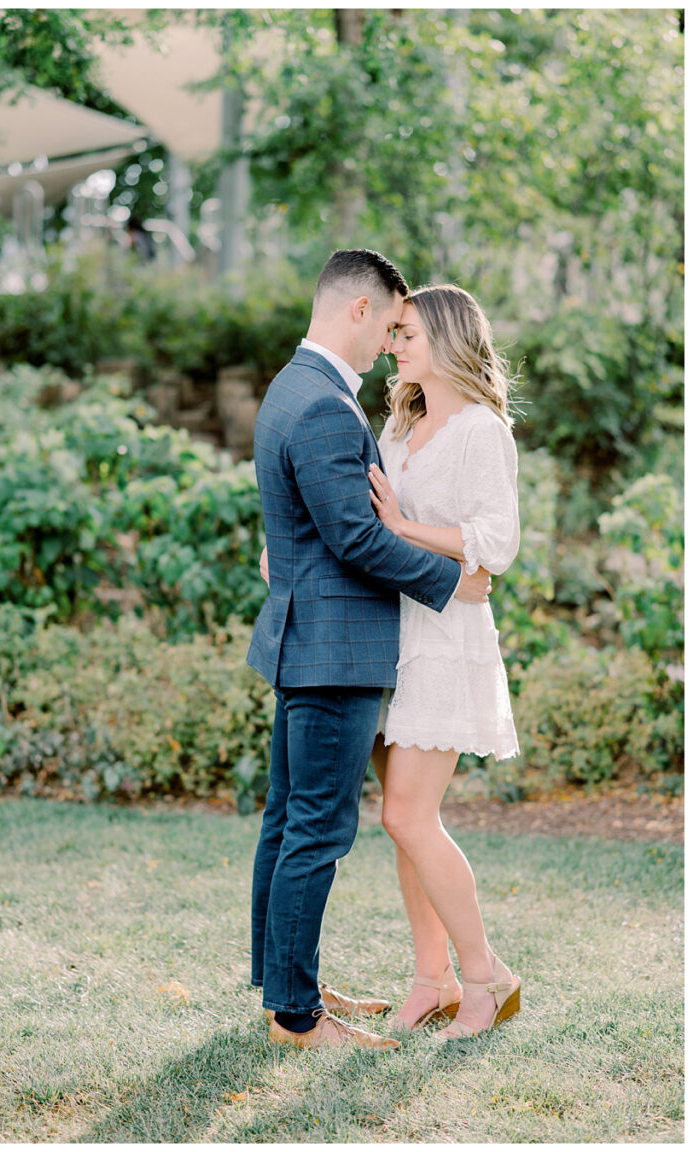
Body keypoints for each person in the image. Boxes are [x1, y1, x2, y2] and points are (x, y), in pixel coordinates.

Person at [246, 249, 493, 1051]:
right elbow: (353, 536)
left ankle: (290, 985)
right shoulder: (322, 404)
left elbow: (307, 527)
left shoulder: (297, 388)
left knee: (290, 822)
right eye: (390, 323)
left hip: (311, 640)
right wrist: (449, 580)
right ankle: (296, 1015)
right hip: (333, 648)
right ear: (359, 309)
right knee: (313, 830)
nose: (392, 340)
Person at [365, 284, 523, 1041]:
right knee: (402, 824)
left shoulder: (479, 432)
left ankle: (488, 975)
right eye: (395, 335)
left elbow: (496, 544)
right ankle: (434, 979)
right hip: (391, 634)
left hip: (446, 638)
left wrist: (405, 525)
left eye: (410, 334)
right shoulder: (403, 426)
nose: (396, 345)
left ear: (451, 338)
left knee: (408, 813)